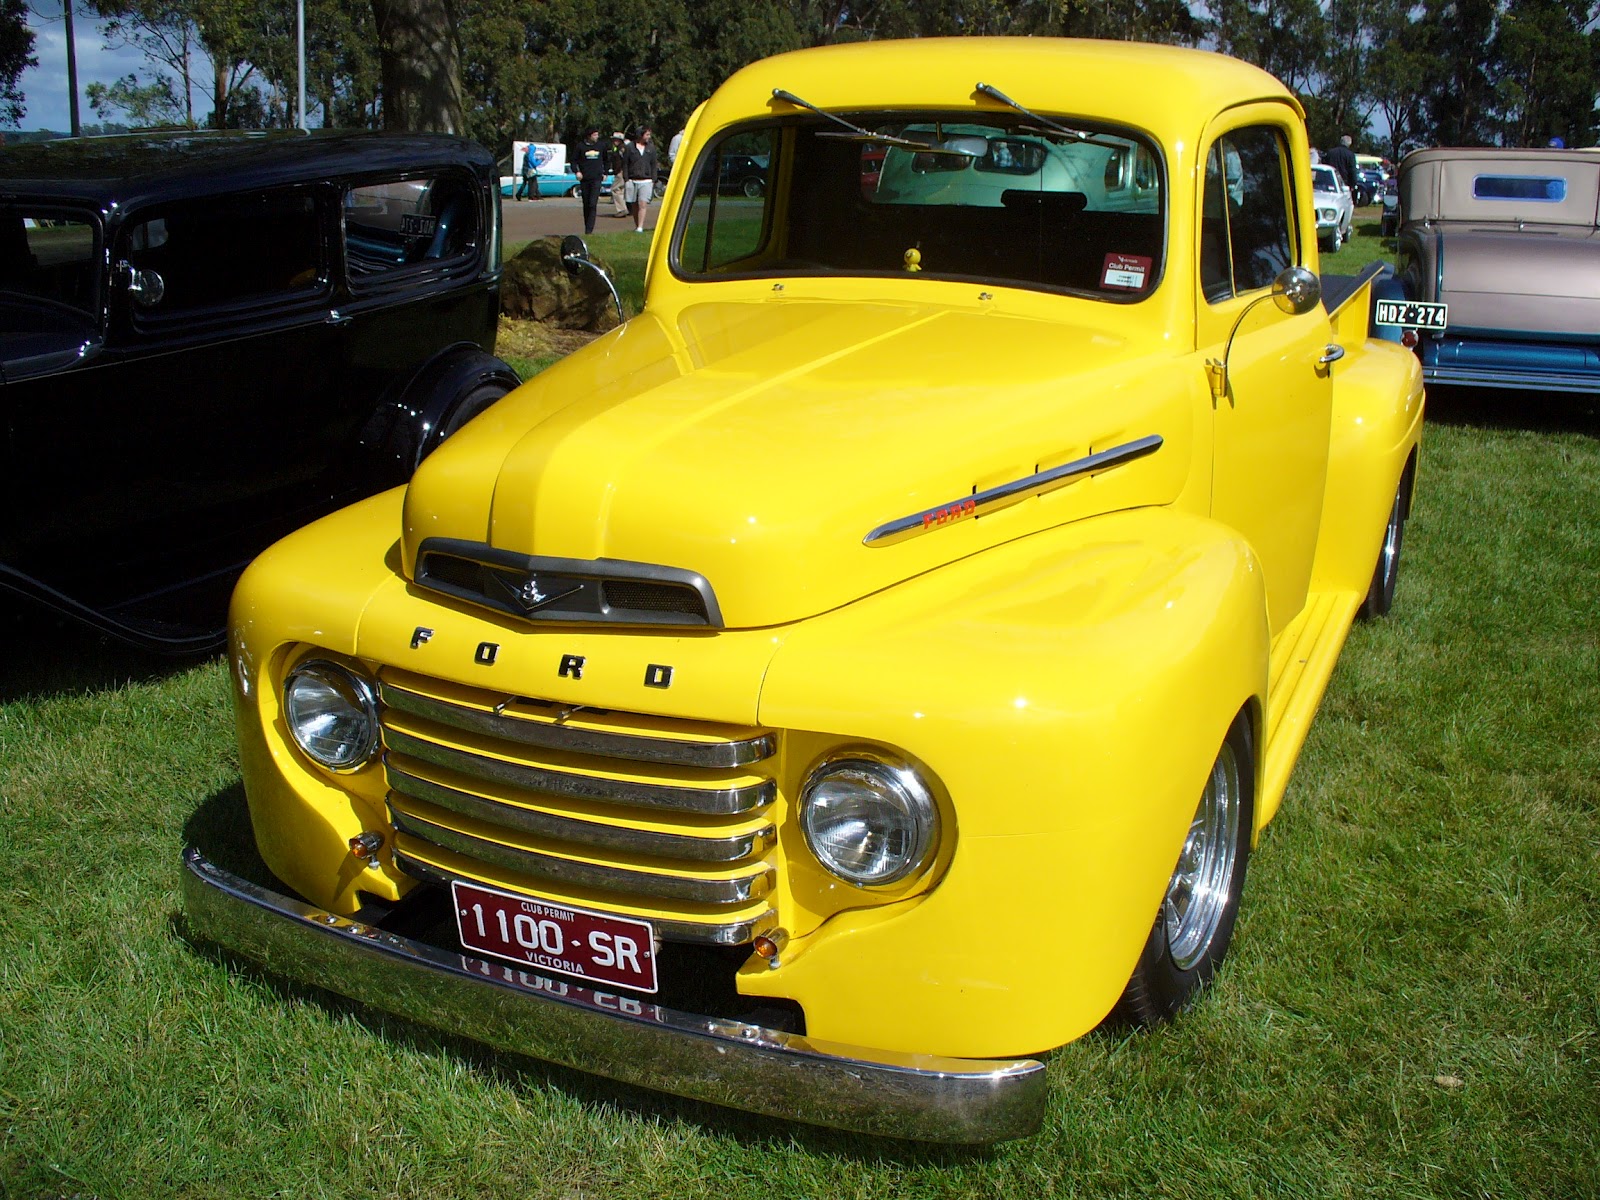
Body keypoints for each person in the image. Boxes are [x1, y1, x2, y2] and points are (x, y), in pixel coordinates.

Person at [622, 126, 659, 233]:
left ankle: (640, 227)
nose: (649, 137)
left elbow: (653, 164)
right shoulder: (629, 147)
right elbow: (625, 164)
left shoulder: (651, 148)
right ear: (640, 135)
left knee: (642, 203)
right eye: (647, 134)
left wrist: (653, 179)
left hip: (646, 180)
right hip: (632, 180)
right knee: (634, 204)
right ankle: (637, 224)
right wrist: (626, 178)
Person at [575, 127, 607, 235]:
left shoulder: (601, 146)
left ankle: (590, 230)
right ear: (589, 136)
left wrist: (605, 172)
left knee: (593, 204)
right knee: (586, 204)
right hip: (585, 179)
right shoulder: (580, 146)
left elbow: (606, 160)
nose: (596, 137)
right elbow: (573, 161)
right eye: (594, 135)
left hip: (597, 179)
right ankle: (587, 226)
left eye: (597, 135)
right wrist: (577, 172)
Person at [608, 133, 629, 217]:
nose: (613, 141)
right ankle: (624, 208)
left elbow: (624, 160)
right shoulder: (619, 148)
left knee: (615, 189)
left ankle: (622, 209)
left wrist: (619, 170)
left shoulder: (621, 149)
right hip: (621, 171)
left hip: (620, 171)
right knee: (621, 190)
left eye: (615, 139)